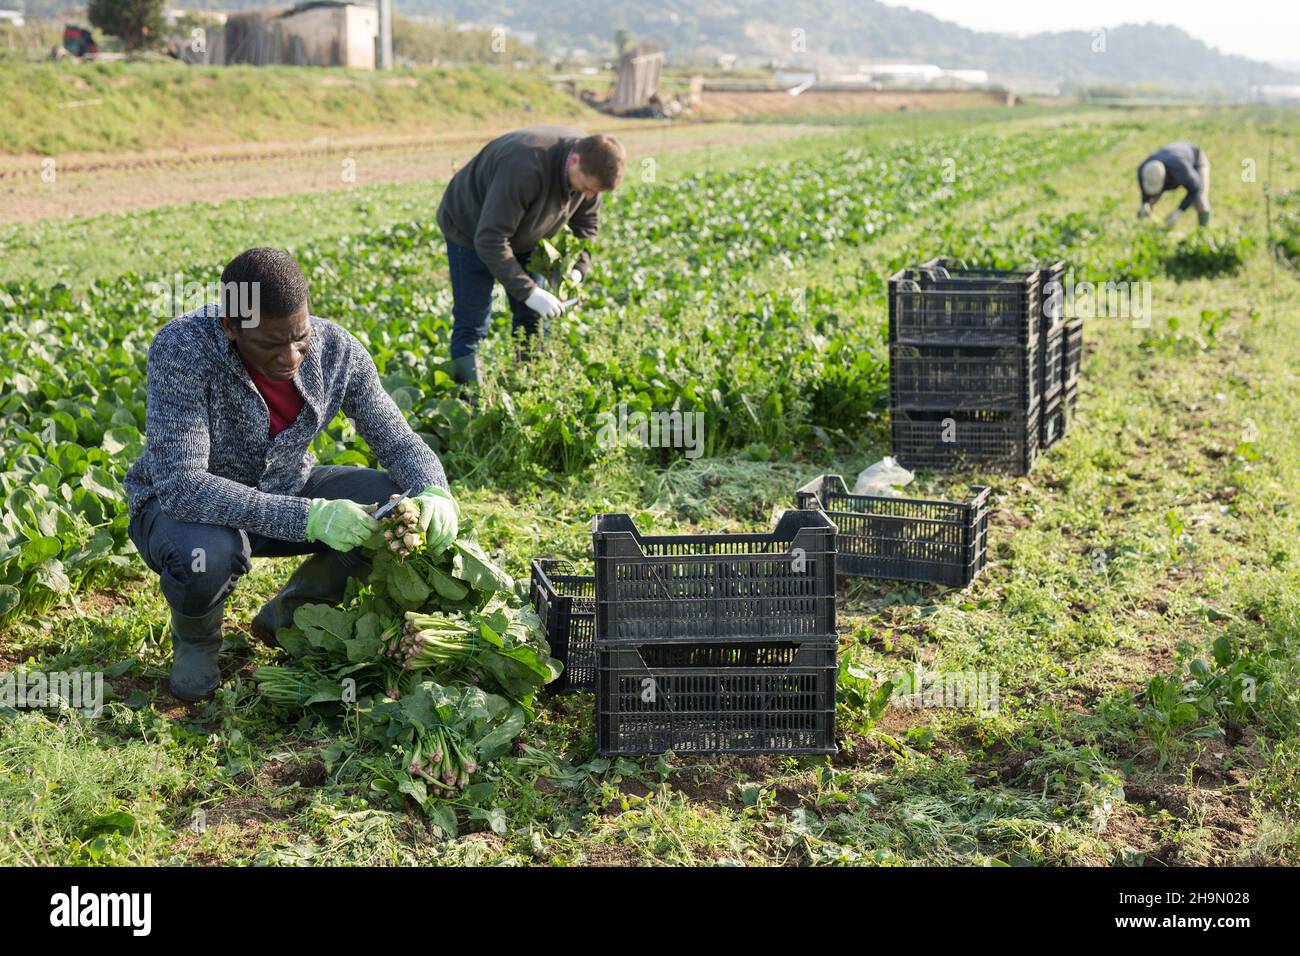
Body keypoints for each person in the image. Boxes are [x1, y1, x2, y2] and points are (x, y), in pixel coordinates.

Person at [124, 247, 459, 701]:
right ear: (230, 328)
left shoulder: (337, 351)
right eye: (269, 343)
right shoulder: (183, 348)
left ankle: (291, 613)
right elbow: (183, 486)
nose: (289, 357)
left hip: (284, 486)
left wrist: (434, 490)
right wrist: (310, 518)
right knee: (206, 554)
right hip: (185, 513)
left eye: (298, 338)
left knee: (396, 504)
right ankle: (197, 643)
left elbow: (396, 440)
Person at [436, 125, 626, 384]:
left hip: (527, 233)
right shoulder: (524, 168)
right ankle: (468, 402)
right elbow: (490, 239)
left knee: (534, 319)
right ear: (574, 160)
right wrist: (529, 292)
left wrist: (577, 270)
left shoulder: (591, 172)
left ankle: (528, 383)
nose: (589, 196)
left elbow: (586, 225)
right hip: (469, 229)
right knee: (473, 322)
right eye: (586, 187)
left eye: (595, 192)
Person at [1137, 142, 1211, 227]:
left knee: (1200, 199)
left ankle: (1204, 230)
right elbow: (1146, 191)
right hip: (1174, 155)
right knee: (1148, 204)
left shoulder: (1181, 171)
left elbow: (1196, 188)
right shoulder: (1143, 170)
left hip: (1196, 158)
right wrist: (1145, 203)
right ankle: (1145, 226)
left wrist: (1179, 211)